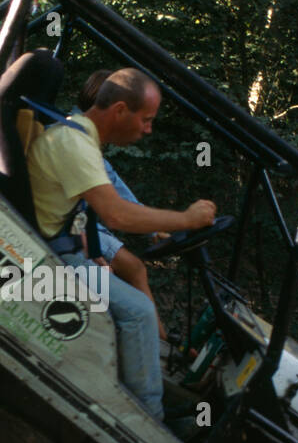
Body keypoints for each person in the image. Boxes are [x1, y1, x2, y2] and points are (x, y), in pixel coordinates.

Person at [26, 67, 216, 422]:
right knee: (138, 311)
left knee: (131, 299)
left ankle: (151, 389)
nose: (148, 129)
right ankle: (151, 426)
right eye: (146, 120)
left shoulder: (79, 138)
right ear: (119, 112)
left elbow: (114, 211)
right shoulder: (74, 143)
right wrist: (186, 220)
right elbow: (117, 216)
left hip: (59, 249)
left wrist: (165, 229)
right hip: (46, 258)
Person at [74, 70, 166, 339]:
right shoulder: (76, 138)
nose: (144, 129)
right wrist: (85, 242)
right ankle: (158, 345)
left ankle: (160, 343)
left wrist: (153, 228)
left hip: (78, 223)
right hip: (71, 227)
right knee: (129, 270)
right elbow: (110, 212)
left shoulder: (88, 139)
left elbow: (111, 188)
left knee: (128, 269)